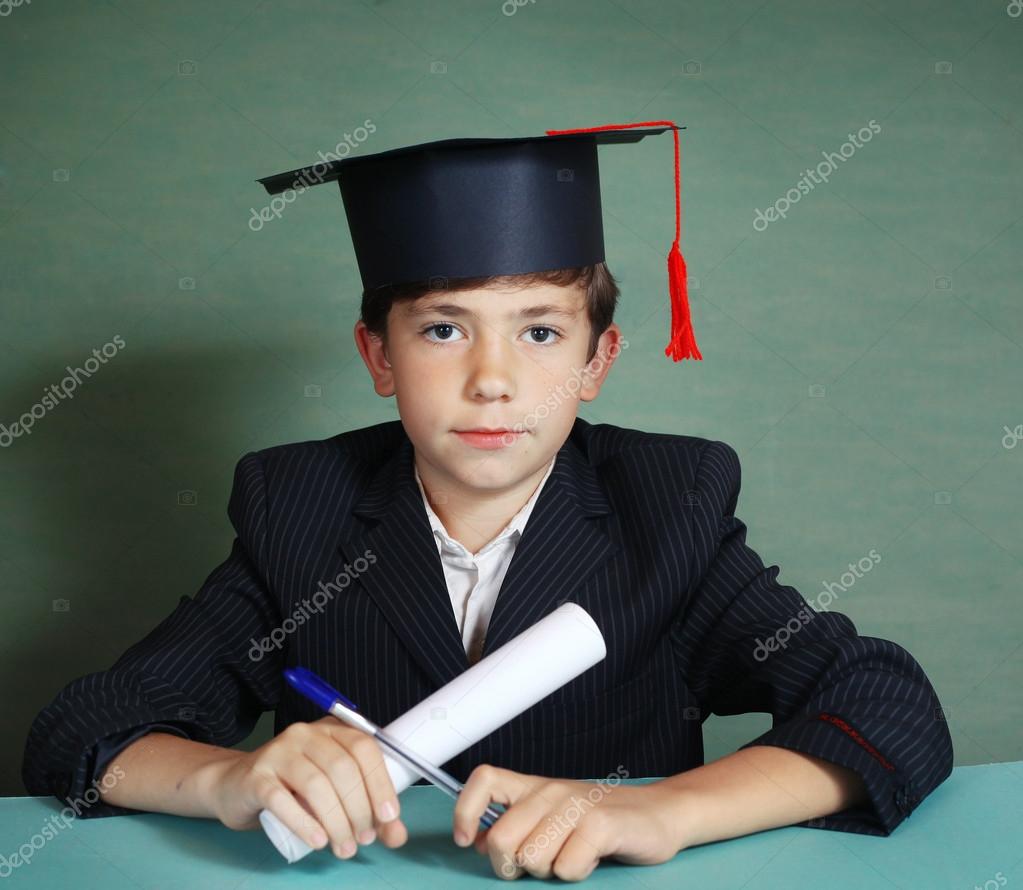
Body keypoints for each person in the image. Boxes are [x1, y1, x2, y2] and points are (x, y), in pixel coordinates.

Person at [22, 121, 953, 882]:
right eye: (441, 330)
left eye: (541, 331)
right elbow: (86, 726)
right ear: (379, 357)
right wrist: (230, 778)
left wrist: (662, 809)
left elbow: (885, 706)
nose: (492, 381)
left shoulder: (665, 509)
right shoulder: (299, 509)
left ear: (596, 362)